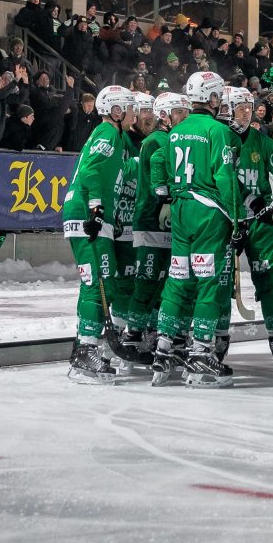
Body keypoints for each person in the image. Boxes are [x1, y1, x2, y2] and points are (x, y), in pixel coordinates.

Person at [153, 70, 243, 388]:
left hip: (180, 211)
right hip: (208, 213)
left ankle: (164, 350)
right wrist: (237, 216)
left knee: (178, 280)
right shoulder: (216, 131)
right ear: (214, 98)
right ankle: (201, 353)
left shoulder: (177, 131)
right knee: (207, 283)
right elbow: (224, 177)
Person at [62, 85, 140, 382]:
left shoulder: (118, 138)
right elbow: (90, 171)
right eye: (129, 107)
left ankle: (86, 345)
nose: (133, 112)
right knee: (95, 281)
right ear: (116, 111)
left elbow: (124, 172)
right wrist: (95, 208)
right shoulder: (107, 133)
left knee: (102, 280)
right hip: (86, 213)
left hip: (97, 216)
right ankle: (85, 351)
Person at [226, 84, 273, 364]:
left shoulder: (261, 140)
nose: (245, 114)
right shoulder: (219, 138)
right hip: (225, 222)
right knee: (216, 283)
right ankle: (216, 339)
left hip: (259, 221)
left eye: (248, 109)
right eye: (240, 109)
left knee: (269, 277)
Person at [125, 91, 185, 358]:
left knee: (165, 283)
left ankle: (152, 331)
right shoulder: (154, 141)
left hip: (170, 222)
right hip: (151, 220)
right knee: (147, 280)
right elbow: (157, 183)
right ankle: (132, 335)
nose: (185, 117)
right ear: (164, 115)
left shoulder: (175, 138)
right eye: (179, 112)